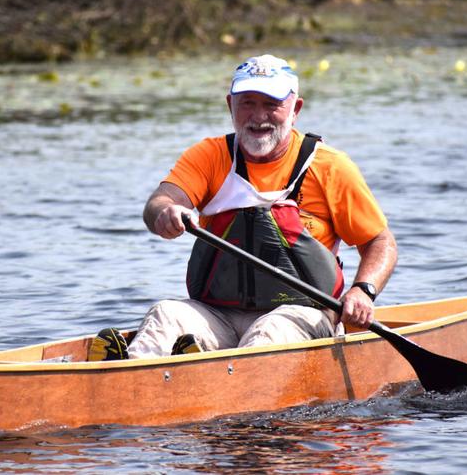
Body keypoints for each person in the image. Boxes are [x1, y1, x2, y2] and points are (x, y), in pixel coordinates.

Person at [87, 54, 397, 362]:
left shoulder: (331, 166)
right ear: (230, 105)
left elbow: (380, 242)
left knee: (269, 332)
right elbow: (160, 201)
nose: (258, 116)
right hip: (217, 314)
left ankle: (205, 376)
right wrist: (166, 213)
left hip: (303, 314)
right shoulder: (209, 156)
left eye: (271, 104)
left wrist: (362, 291)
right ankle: (132, 376)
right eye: (247, 102)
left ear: (295, 109)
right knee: (165, 314)